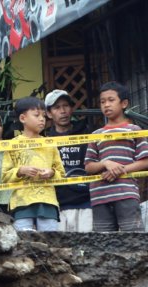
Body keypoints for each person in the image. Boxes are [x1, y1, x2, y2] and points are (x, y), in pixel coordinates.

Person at [84, 81, 148, 232]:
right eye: (102, 102)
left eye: (111, 100)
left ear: (124, 103)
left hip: (126, 193)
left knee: (134, 237)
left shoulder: (134, 130)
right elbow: (89, 167)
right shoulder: (96, 134)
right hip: (100, 196)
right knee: (103, 241)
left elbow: (146, 161)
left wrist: (119, 170)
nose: (106, 105)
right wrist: (105, 163)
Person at [1, 96, 65, 232]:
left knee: (50, 240)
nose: (42, 119)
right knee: (24, 241)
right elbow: (5, 176)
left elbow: (61, 174)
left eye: (43, 115)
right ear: (23, 118)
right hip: (21, 202)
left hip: (47, 201)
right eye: (36, 115)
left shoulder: (49, 143)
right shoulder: (13, 144)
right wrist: (20, 171)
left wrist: (52, 173)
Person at [44, 89, 92, 232]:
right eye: (57, 107)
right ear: (49, 113)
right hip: (57, 204)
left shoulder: (86, 135)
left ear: (71, 109)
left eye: (66, 106)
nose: (63, 111)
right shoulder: (45, 141)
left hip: (86, 201)